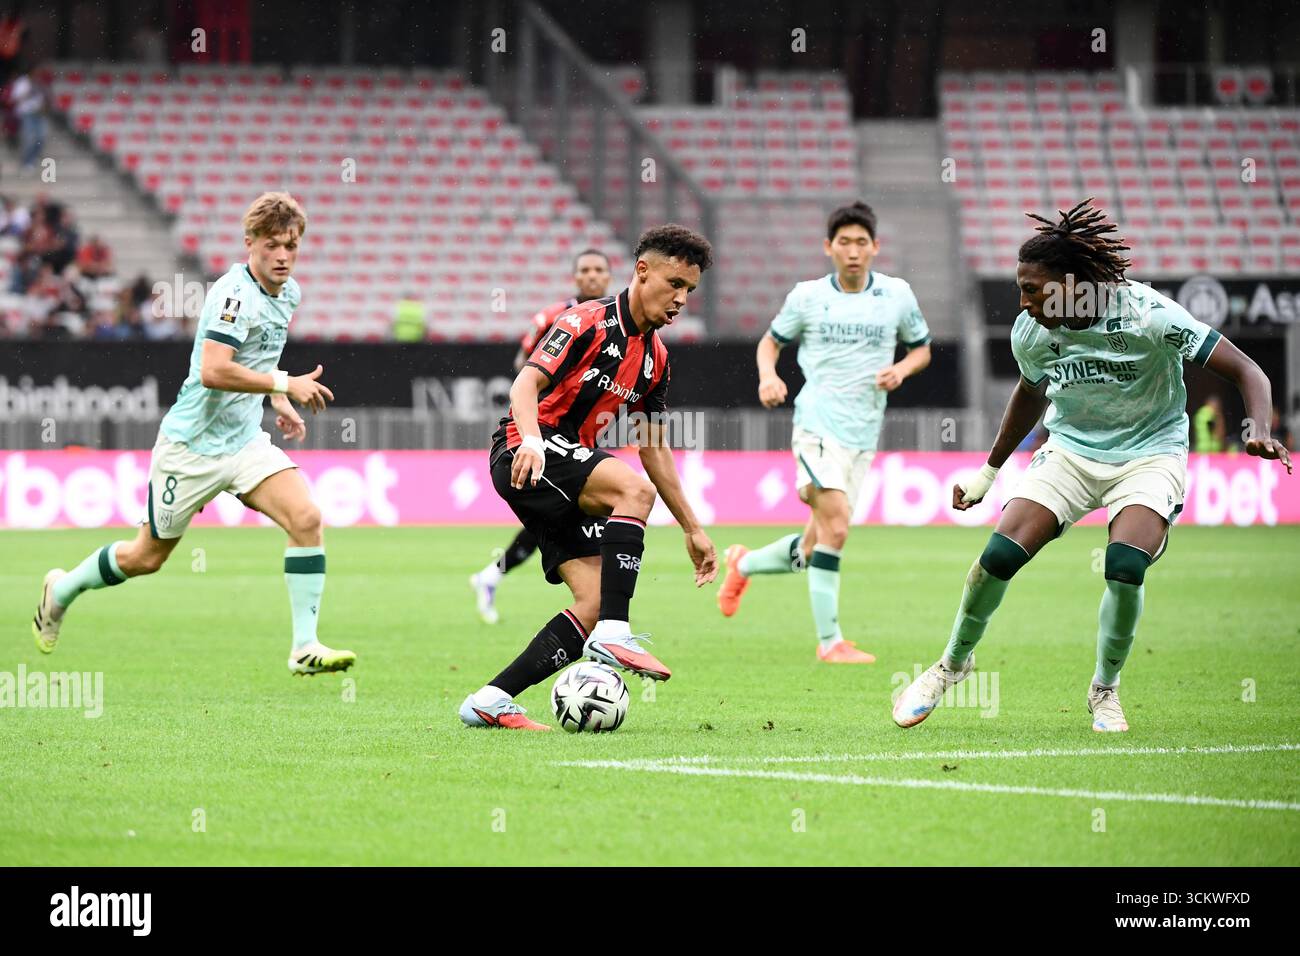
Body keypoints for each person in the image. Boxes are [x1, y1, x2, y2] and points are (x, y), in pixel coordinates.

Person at [892, 199, 1291, 733]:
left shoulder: (1148, 314)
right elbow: (1030, 394)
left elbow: (1247, 370)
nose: (1024, 301)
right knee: (998, 555)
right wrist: (989, 473)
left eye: (1033, 288)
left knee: (1124, 568)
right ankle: (951, 664)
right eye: (1020, 288)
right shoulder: (1032, 332)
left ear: (1070, 284)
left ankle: (1105, 688)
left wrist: (1259, 429)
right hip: (1073, 451)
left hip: (1150, 453)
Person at [32, 192, 357, 676]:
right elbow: (213, 370)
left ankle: (303, 648)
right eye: (272, 245)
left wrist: (278, 400)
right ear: (250, 243)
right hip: (191, 447)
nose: (284, 256)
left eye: (292, 245)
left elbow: (259, 360)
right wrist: (285, 383)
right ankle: (61, 589)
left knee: (307, 519)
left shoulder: (288, 294)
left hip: (244, 441)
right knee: (146, 557)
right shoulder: (232, 296)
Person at [460, 225, 718, 730]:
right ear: (642, 271)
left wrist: (692, 526)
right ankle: (615, 633)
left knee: (594, 600)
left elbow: (654, 447)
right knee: (632, 491)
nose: (681, 299)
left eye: (689, 290)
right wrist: (531, 440)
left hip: (566, 462)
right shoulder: (585, 320)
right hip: (524, 449)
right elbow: (525, 383)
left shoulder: (656, 358)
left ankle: (490, 699)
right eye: (674, 284)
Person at [715, 201, 932, 664]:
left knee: (816, 544)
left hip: (864, 432)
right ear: (828, 248)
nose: (852, 251)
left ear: (875, 247)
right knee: (837, 528)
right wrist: (767, 376)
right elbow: (770, 342)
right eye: (843, 242)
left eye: (861, 242)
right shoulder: (807, 296)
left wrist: (902, 369)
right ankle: (830, 642)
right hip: (815, 426)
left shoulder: (897, 295)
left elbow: (921, 350)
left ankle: (744, 563)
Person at [469, 248, 612, 623]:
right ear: (575, 277)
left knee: (554, 517)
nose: (593, 276)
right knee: (562, 512)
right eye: (585, 270)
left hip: (583, 434)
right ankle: (602, 614)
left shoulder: (616, 325)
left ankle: (493, 575)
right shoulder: (554, 317)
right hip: (546, 431)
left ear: (608, 277)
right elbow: (523, 366)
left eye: (599, 269)